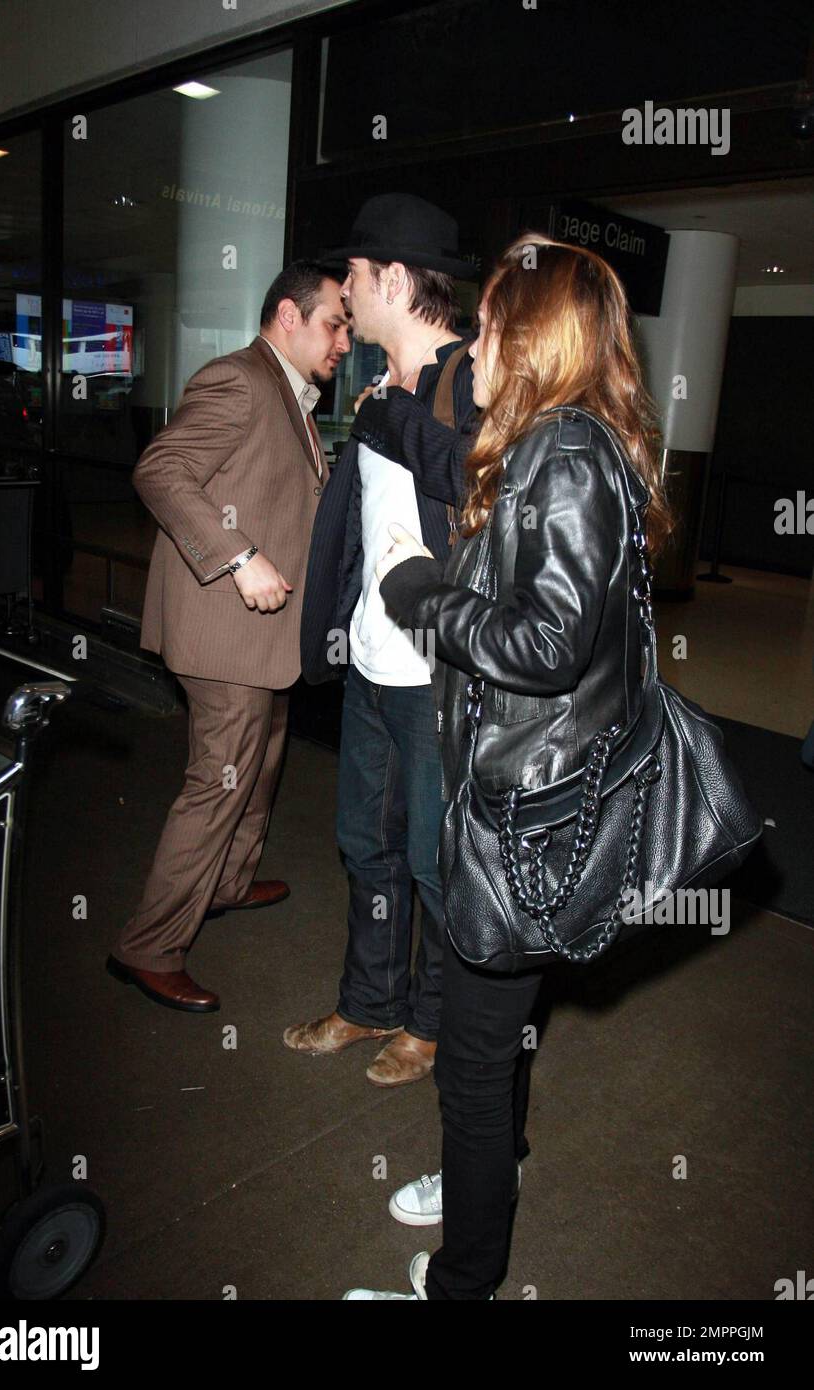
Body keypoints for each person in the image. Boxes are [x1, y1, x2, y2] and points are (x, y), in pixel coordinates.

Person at [344, 232, 673, 1298]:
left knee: (475, 1066)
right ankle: (490, 1172)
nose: (472, 344)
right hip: (543, 801)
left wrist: (414, 590)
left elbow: (540, 643)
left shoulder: (562, 451)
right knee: (496, 1046)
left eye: (487, 323)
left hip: (526, 817)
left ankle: (462, 1280)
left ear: (528, 338)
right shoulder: (573, 444)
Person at [108, 262, 350, 1012]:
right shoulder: (240, 380)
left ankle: (230, 882)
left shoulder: (292, 395)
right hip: (226, 633)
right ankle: (147, 946)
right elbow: (161, 470)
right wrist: (239, 557)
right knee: (219, 783)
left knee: (261, 765)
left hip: (266, 639)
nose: (345, 337)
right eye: (335, 321)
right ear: (288, 315)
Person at [284, 194, 478, 1087]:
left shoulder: (473, 384)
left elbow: (475, 486)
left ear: (396, 281)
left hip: (439, 679)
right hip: (369, 664)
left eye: (356, 276)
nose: (345, 292)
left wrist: (391, 413)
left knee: (439, 868)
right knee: (366, 845)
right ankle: (370, 1004)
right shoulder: (378, 394)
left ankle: (432, 1024)